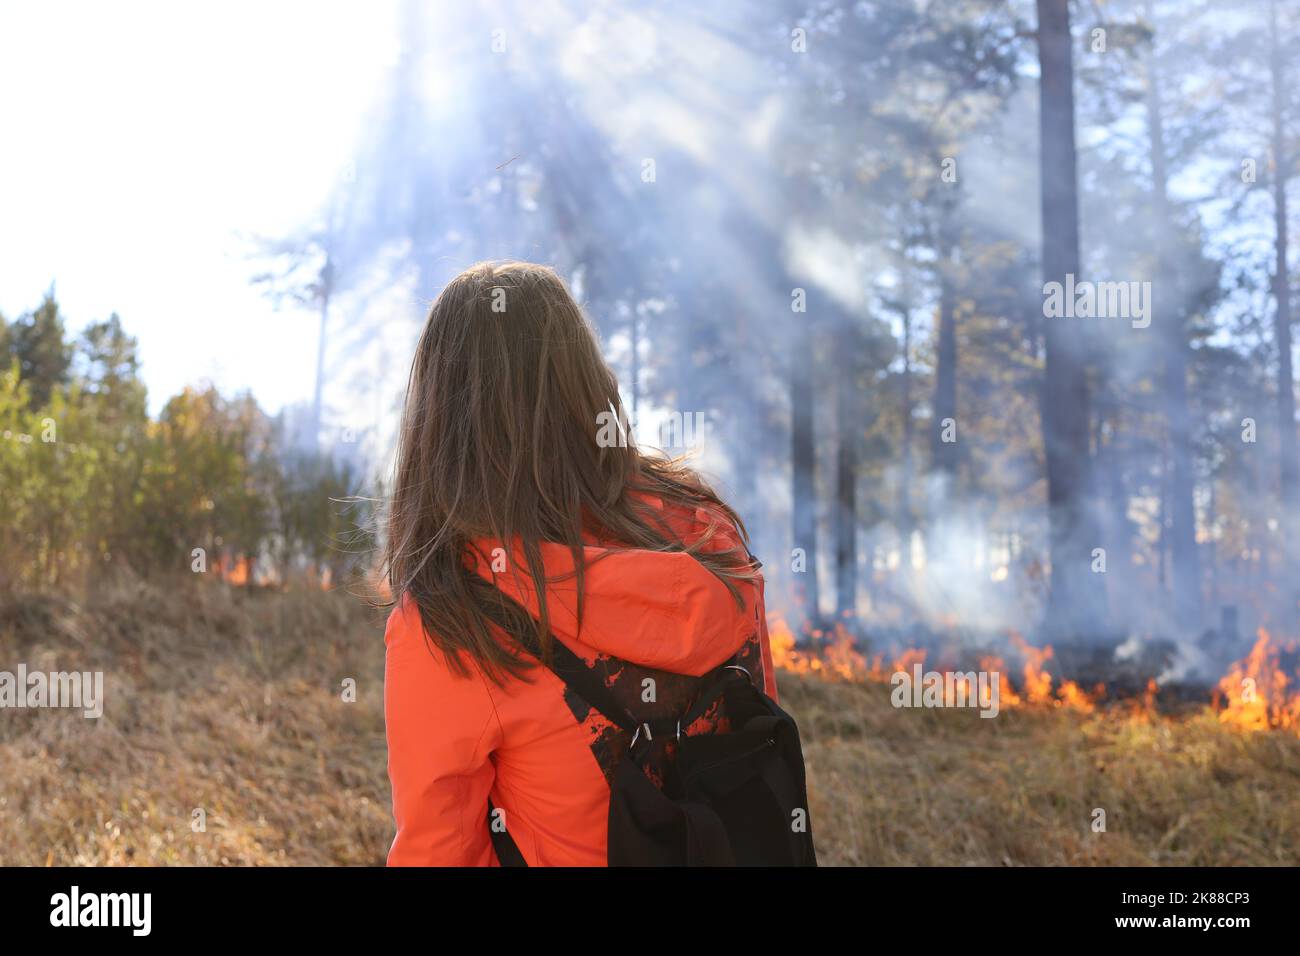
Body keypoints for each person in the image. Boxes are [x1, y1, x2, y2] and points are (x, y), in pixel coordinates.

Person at [382, 261, 777, 866]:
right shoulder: (707, 531)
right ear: (590, 386)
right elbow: (759, 732)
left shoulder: (453, 618)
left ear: (441, 422)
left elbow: (441, 854)